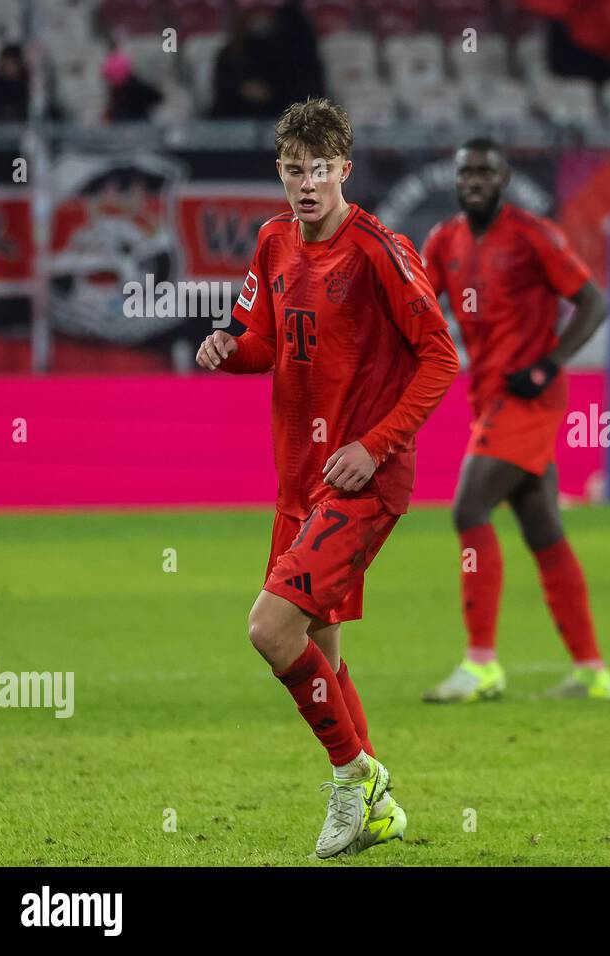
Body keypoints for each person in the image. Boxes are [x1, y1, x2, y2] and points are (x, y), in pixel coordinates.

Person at [195, 98, 459, 857]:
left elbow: (441, 357)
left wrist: (375, 447)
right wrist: (226, 348)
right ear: (279, 173)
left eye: (320, 169)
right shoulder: (274, 241)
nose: (305, 183)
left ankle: (353, 780)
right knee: (325, 656)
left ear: (344, 170)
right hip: (299, 480)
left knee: (269, 629)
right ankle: (375, 805)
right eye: (292, 169)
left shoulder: (379, 248)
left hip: (362, 481)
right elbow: (265, 342)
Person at [419, 137, 610, 703]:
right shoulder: (445, 241)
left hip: (531, 398)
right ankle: (593, 671)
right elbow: (418, 306)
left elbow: (593, 303)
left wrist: (549, 362)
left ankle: (481, 665)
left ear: (502, 179)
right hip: (486, 395)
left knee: (468, 508)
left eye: (485, 171)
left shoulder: (533, 235)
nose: (474, 179)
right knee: (543, 530)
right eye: (466, 171)